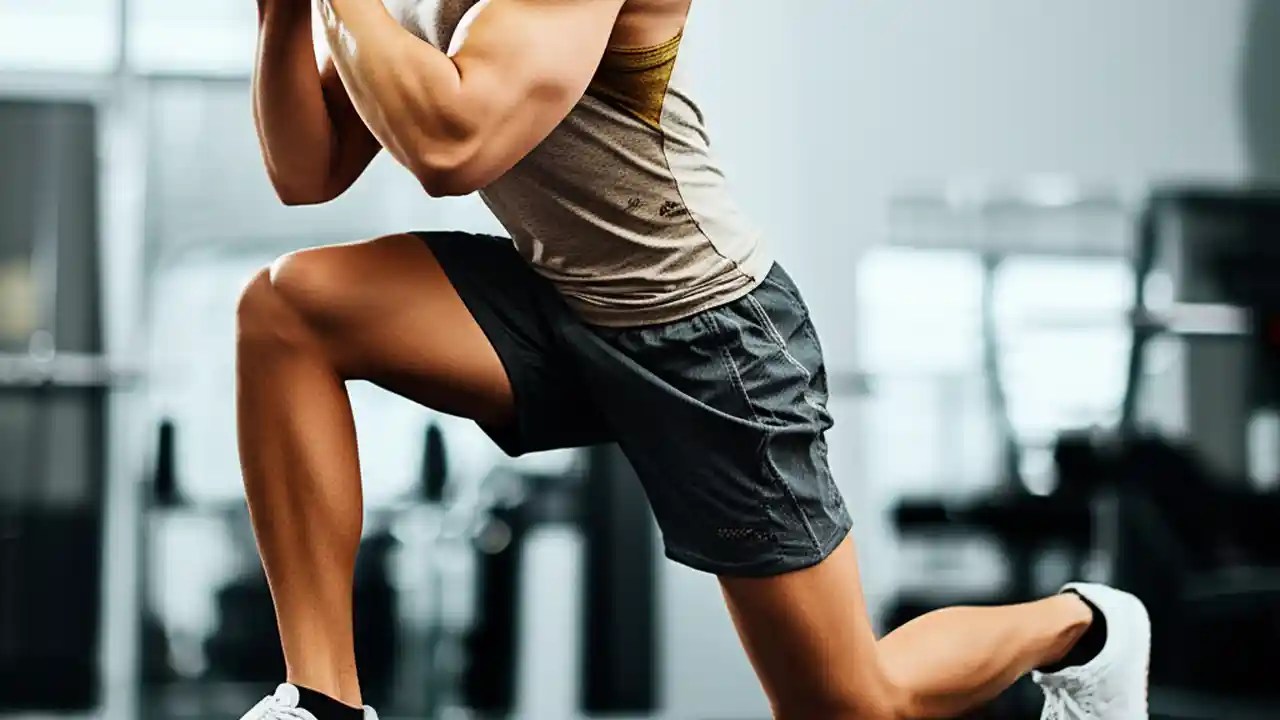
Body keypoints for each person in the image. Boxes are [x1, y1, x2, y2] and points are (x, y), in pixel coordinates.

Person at [239, 0, 1150, 718]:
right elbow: (306, 169)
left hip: (708, 333)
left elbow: (452, 142)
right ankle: (321, 702)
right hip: (558, 299)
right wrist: (282, 10)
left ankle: (1088, 627)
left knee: (846, 704)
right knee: (286, 313)